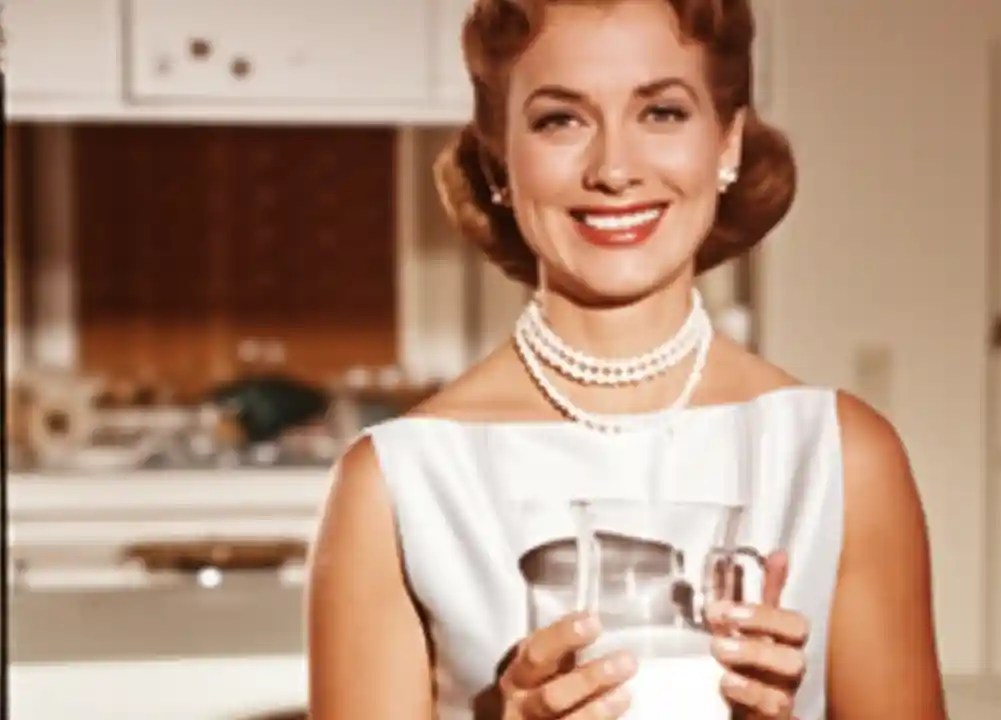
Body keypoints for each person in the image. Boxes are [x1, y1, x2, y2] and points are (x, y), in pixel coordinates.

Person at [305, 0, 947, 718]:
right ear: (498, 163)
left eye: (662, 112)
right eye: (561, 119)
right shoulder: (396, 485)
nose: (614, 168)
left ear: (727, 142)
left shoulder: (839, 457)